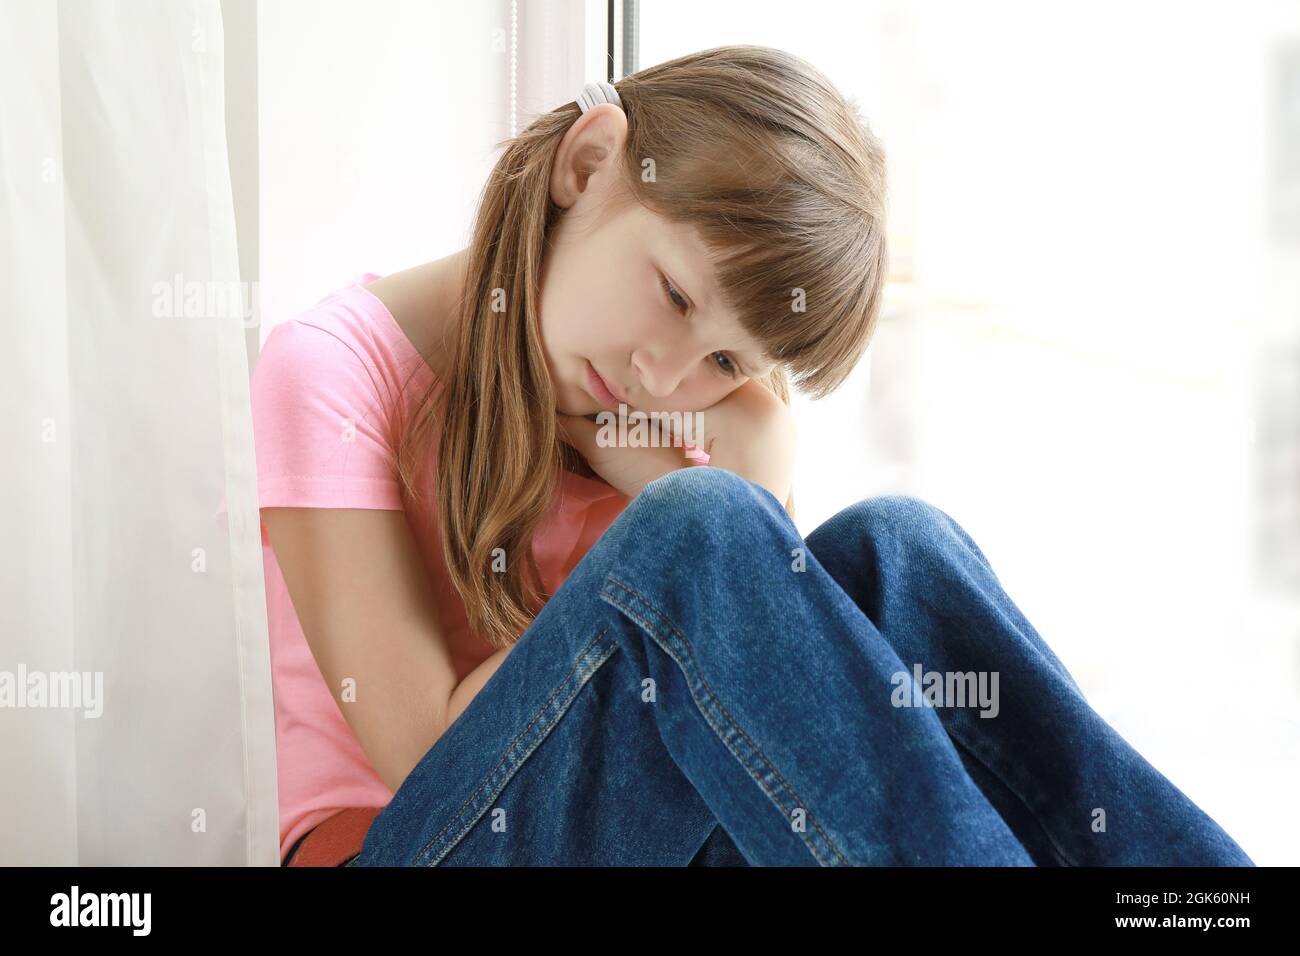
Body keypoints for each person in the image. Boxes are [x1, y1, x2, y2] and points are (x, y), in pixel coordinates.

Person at [254, 45, 1253, 866]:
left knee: (897, 549)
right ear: (589, 163)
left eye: (726, 360)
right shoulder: (331, 370)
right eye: (677, 294)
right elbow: (425, 750)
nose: (662, 372)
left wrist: (731, 479)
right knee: (704, 529)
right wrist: (692, 513)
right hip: (403, 843)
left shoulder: (654, 422)